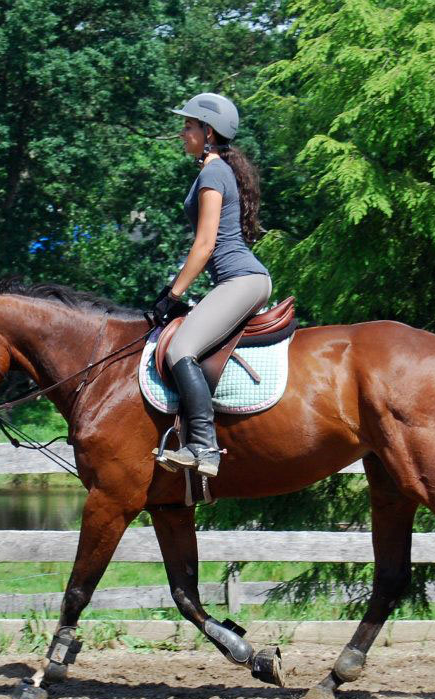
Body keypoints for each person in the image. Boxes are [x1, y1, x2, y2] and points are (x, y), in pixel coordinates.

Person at [152, 92, 272, 478]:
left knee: (182, 347)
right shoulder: (216, 170)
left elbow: (204, 246)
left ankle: (204, 446)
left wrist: (172, 295)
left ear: (208, 131)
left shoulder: (212, 172)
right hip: (238, 280)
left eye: (188, 126)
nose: (182, 132)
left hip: (242, 279)